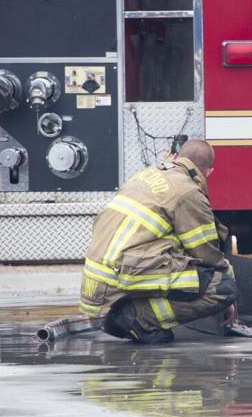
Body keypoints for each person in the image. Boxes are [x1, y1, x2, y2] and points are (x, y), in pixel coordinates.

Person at [78, 139, 236, 344]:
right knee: (222, 286)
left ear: (177, 157)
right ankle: (140, 318)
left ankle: (130, 311)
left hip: (96, 289)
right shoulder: (188, 192)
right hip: (122, 277)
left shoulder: (145, 175)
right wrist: (228, 277)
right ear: (208, 172)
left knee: (183, 268)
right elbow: (205, 253)